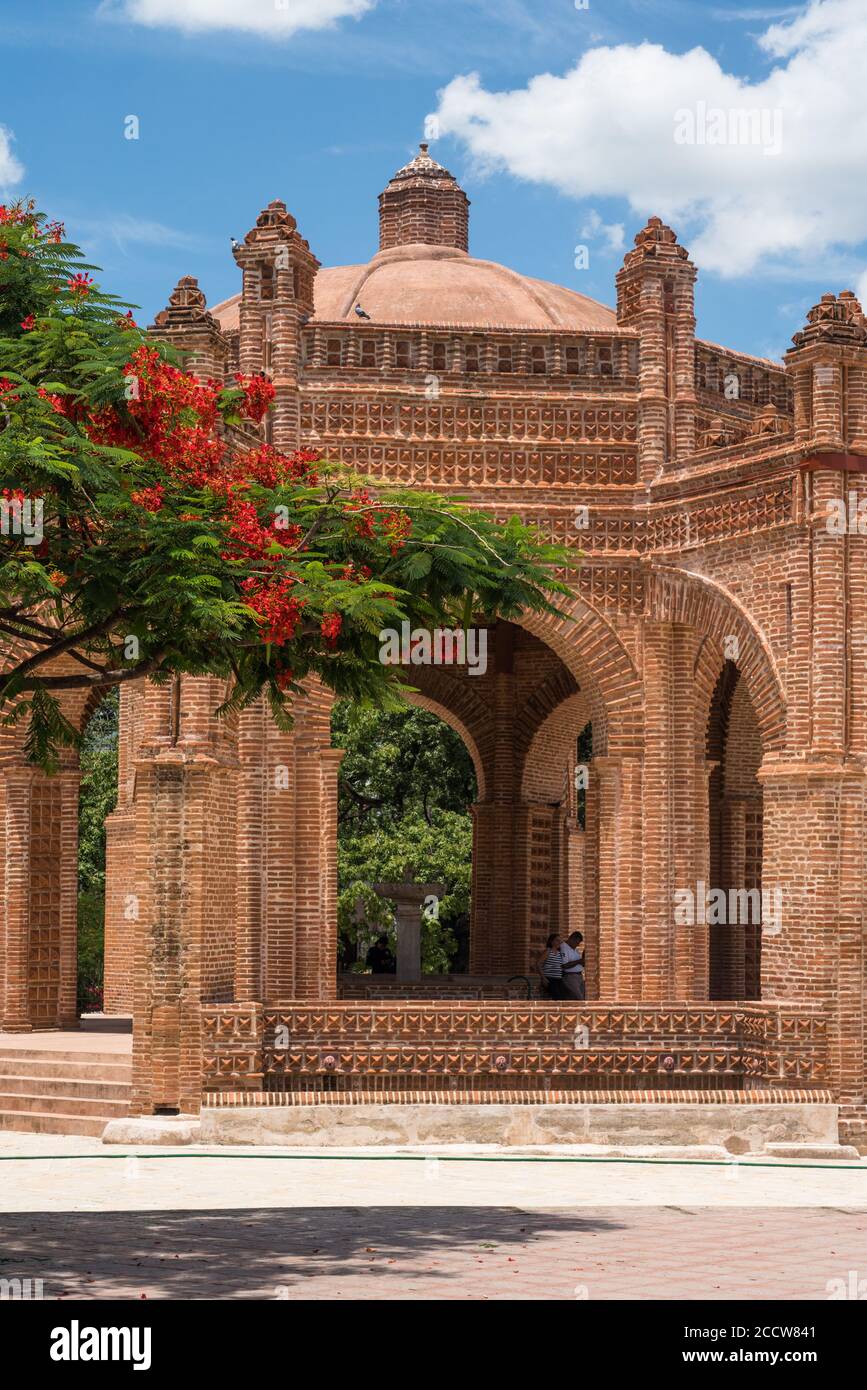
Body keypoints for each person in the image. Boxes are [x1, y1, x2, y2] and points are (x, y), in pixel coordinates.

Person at [536, 932, 568, 999]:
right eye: (557, 940)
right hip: (549, 979)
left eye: (560, 940)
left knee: (563, 998)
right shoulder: (548, 951)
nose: (559, 942)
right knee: (557, 998)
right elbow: (538, 964)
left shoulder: (560, 953)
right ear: (551, 941)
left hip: (559, 980)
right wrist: (543, 978)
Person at [560, 931, 585, 1000]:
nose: (577, 945)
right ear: (572, 939)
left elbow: (580, 962)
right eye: (577, 943)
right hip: (570, 977)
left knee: (582, 997)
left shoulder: (574, 949)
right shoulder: (564, 947)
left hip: (579, 977)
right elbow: (564, 965)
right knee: (579, 999)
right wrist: (578, 961)